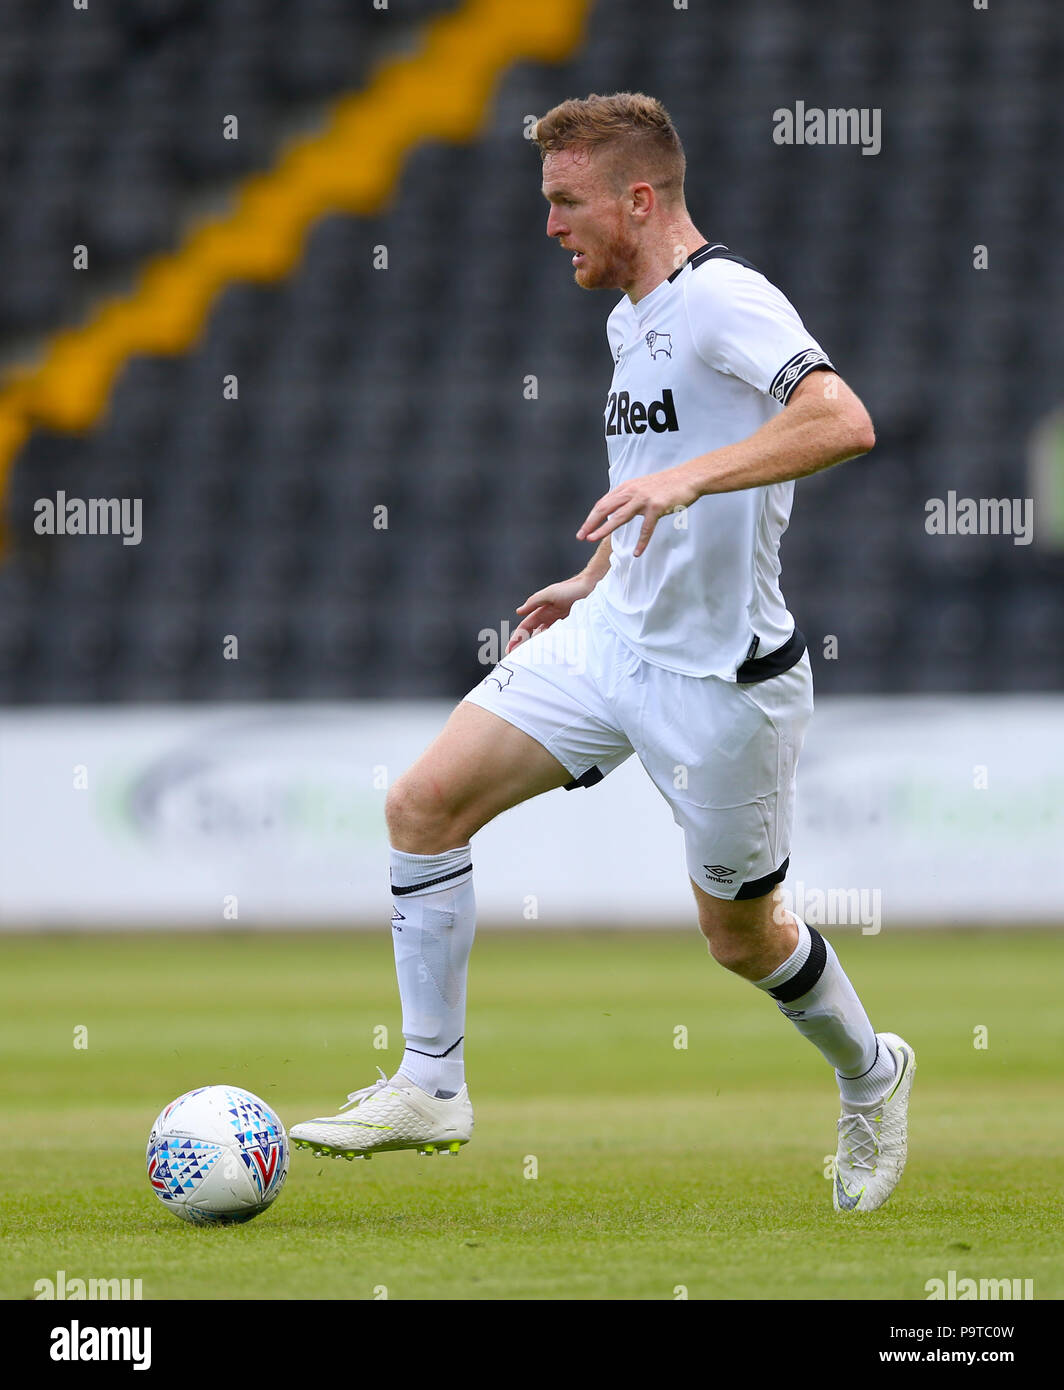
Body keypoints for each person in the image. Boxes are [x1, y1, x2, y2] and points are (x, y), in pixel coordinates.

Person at [291, 92, 914, 1213]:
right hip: (611, 637)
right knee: (421, 803)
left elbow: (841, 420)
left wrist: (682, 479)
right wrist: (597, 573)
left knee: (741, 939)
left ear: (638, 197)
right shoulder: (628, 318)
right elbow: (669, 474)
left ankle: (871, 1075)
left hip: (723, 687)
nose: (549, 225)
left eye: (564, 201)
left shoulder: (726, 299)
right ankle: (431, 1082)